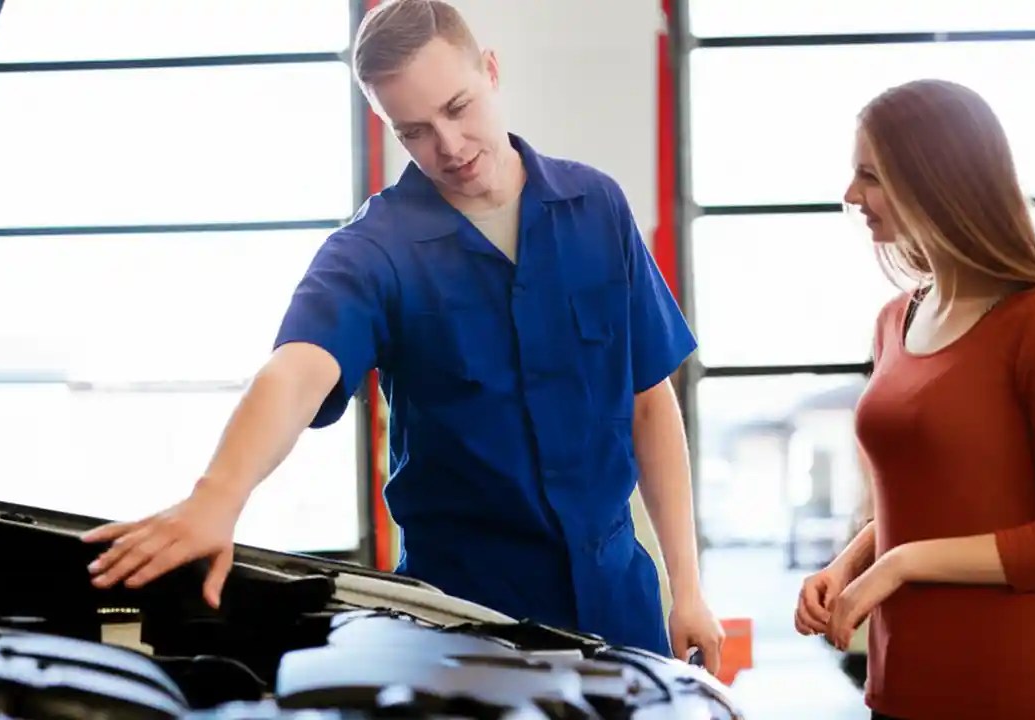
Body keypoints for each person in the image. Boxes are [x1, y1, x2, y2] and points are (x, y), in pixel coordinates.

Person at [81, 0, 724, 671]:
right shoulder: (374, 251)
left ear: (493, 72)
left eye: (458, 106)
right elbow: (297, 369)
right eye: (413, 130)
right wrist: (217, 498)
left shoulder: (597, 209)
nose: (447, 145)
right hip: (468, 625)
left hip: (619, 606)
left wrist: (689, 588)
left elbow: (650, 401)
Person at [794, 78, 1035, 719]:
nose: (852, 196)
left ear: (934, 181)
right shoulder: (895, 320)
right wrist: (851, 564)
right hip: (900, 692)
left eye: (870, 176)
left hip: (1019, 697)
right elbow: (923, 500)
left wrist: (900, 566)